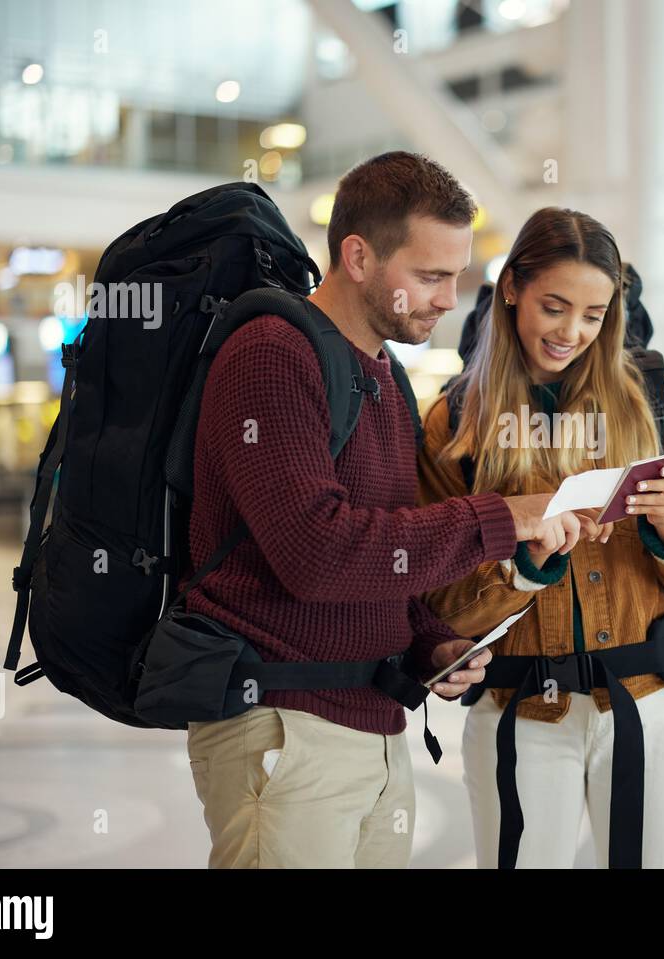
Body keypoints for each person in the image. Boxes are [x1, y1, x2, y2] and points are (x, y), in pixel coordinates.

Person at [182, 152, 577, 868]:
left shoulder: (385, 375)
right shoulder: (271, 352)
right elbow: (317, 552)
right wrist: (501, 517)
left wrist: (431, 642)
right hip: (285, 728)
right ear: (357, 256)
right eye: (428, 276)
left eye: (455, 276)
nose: (448, 299)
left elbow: (386, 554)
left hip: (377, 728)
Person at [418, 207, 664, 868]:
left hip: (654, 704)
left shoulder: (658, 400)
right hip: (520, 709)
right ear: (511, 287)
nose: (571, 332)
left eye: (593, 316)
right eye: (554, 306)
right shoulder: (456, 422)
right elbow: (439, 602)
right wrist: (523, 567)